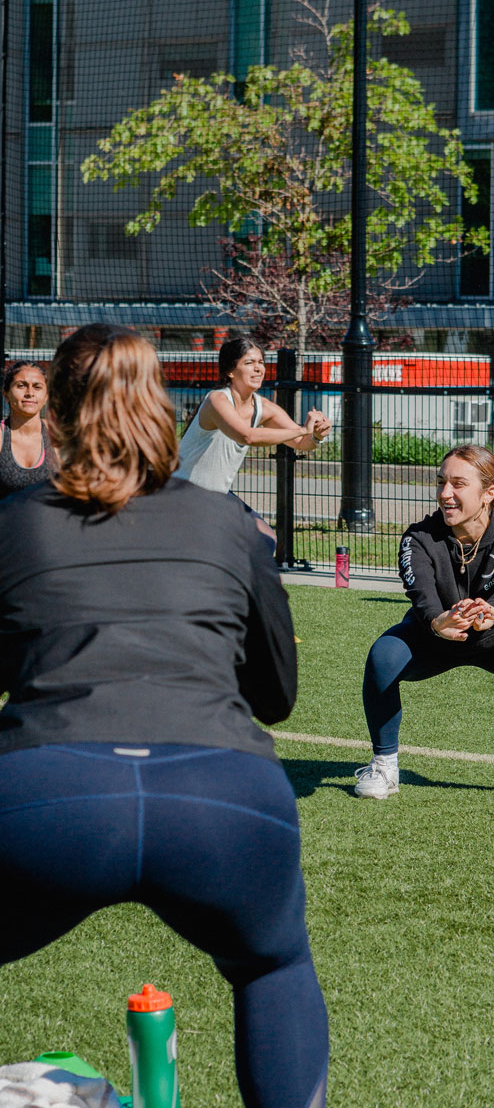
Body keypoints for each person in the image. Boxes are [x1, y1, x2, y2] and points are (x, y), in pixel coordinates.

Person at [0, 324, 329, 1108]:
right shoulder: (229, 526)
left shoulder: (13, 527)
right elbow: (277, 697)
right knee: (275, 966)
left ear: (59, 417)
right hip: (222, 794)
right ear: (163, 404)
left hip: (51, 795)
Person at [355, 444, 494, 804]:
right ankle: (384, 764)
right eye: (442, 482)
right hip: (436, 636)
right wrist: (436, 620)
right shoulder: (418, 537)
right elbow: (421, 592)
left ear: (489, 493)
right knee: (383, 654)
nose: (445, 494)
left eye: (458, 484)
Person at [175, 336, 332, 543]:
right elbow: (247, 435)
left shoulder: (263, 407)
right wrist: (302, 430)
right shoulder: (217, 400)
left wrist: (316, 435)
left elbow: (301, 443)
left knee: (265, 539)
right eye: (249, 363)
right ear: (230, 371)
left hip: (216, 496)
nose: (258, 369)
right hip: (182, 495)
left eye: (261, 363)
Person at [0, 361, 53, 499]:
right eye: (21, 386)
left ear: (46, 396)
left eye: (37, 387)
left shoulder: (57, 436)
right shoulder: (1, 436)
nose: (29, 393)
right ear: (6, 394)